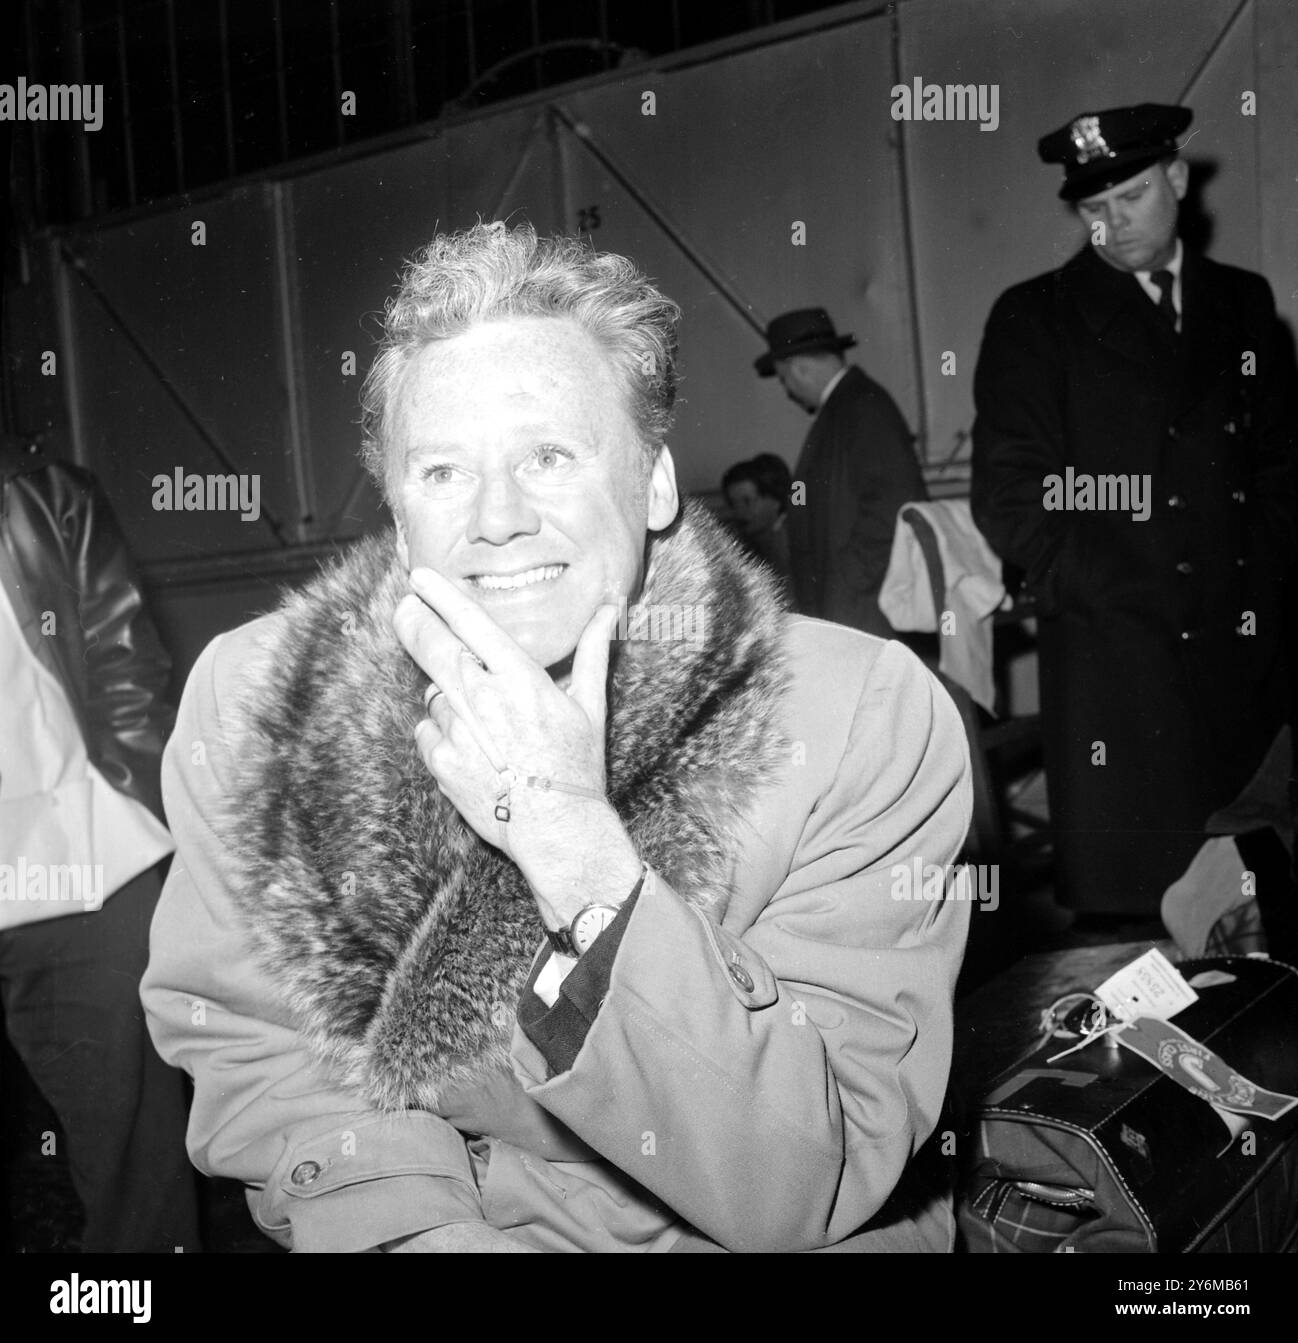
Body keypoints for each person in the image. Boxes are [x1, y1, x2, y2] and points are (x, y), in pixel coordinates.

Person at [141, 222, 972, 1254]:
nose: (497, 517)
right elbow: (269, 1063)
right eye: (442, 471)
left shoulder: (855, 716)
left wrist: (577, 848)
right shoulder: (260, 699)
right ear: (398, 512)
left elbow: (802, 1171)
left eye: (548, 455)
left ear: (655, 481)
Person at [971, 103, 1297, 919]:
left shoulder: (1247, 303)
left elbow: (1285, 467)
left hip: (1245, 659)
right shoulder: (1033, 317)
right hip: (1120, 670)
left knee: (1252, 912)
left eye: (1133, 198)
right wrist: (1114, 587)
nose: (1112, 226)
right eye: (1093, 210)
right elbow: (1011, 495)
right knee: (1137, 928)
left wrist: (1259, 579)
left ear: (1179, 180)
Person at [0, 440, 199, 1252]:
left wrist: (126, 815)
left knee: (131, 1163)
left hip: (80, 878)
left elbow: (129, 666)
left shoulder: (46, 502)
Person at [754, 308, 926, 638]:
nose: (787, 389)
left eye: (783, 379)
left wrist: (848, 585)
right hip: (851, 604)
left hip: (861, 607)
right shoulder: (848, 407)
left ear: (798, 368)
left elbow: (893, 506)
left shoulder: (861, 407)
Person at [720, 453, 793, 593]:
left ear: (774, 500)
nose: (739, 511)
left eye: (747, 501)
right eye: (732, 503)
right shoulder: (741, 539)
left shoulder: (789, 540)